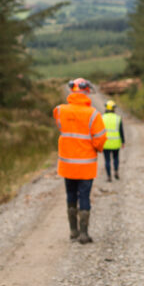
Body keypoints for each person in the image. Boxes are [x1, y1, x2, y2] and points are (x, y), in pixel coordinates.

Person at [53, 78, 105, 243]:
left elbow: (62, 128)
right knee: (84, 196)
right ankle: (84, 233)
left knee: (70, 195)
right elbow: (100, 138)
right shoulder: (93, 114)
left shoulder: (60, 110)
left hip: (67, 163)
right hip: (86, 164)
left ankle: (73, 231)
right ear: (87, 91)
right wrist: (97, 148)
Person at [102, 100, 124, 181]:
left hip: (105, 143)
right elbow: (121, 131)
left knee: (107, 160)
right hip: (115, 143)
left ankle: (109, 176)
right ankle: (116, 171)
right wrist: (123, 141)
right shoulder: (118, 118)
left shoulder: (102, 117)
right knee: (116, 158)